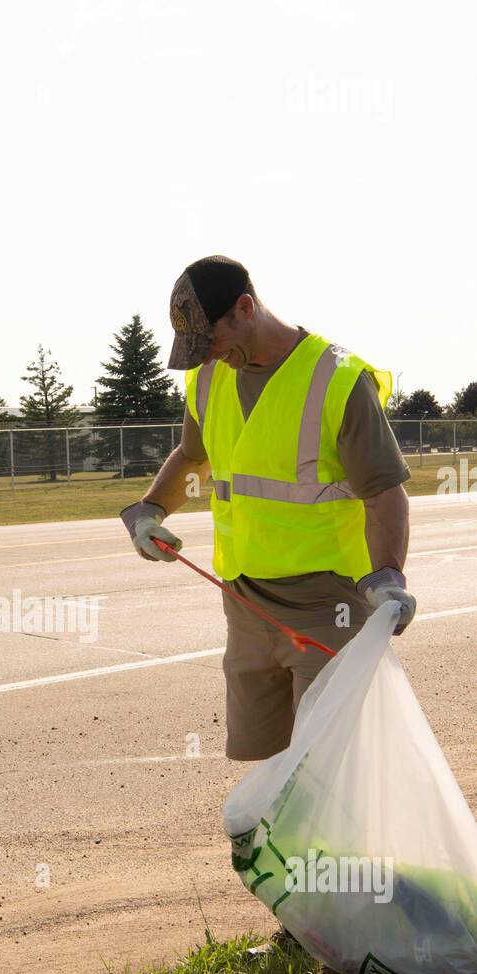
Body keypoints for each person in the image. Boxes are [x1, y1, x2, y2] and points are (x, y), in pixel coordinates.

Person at [121, 254, 417, 764]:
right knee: (262, 758)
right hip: (244, 599)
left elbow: (383, 491)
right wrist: (150, 512)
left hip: (327, 603)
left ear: (245, 307)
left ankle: (328, 846)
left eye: (211, 340)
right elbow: (196, 455)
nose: (208, 355)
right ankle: (273, 843)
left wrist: (388, 574)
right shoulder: (209, 376)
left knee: (324, 762)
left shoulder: (337, 379)